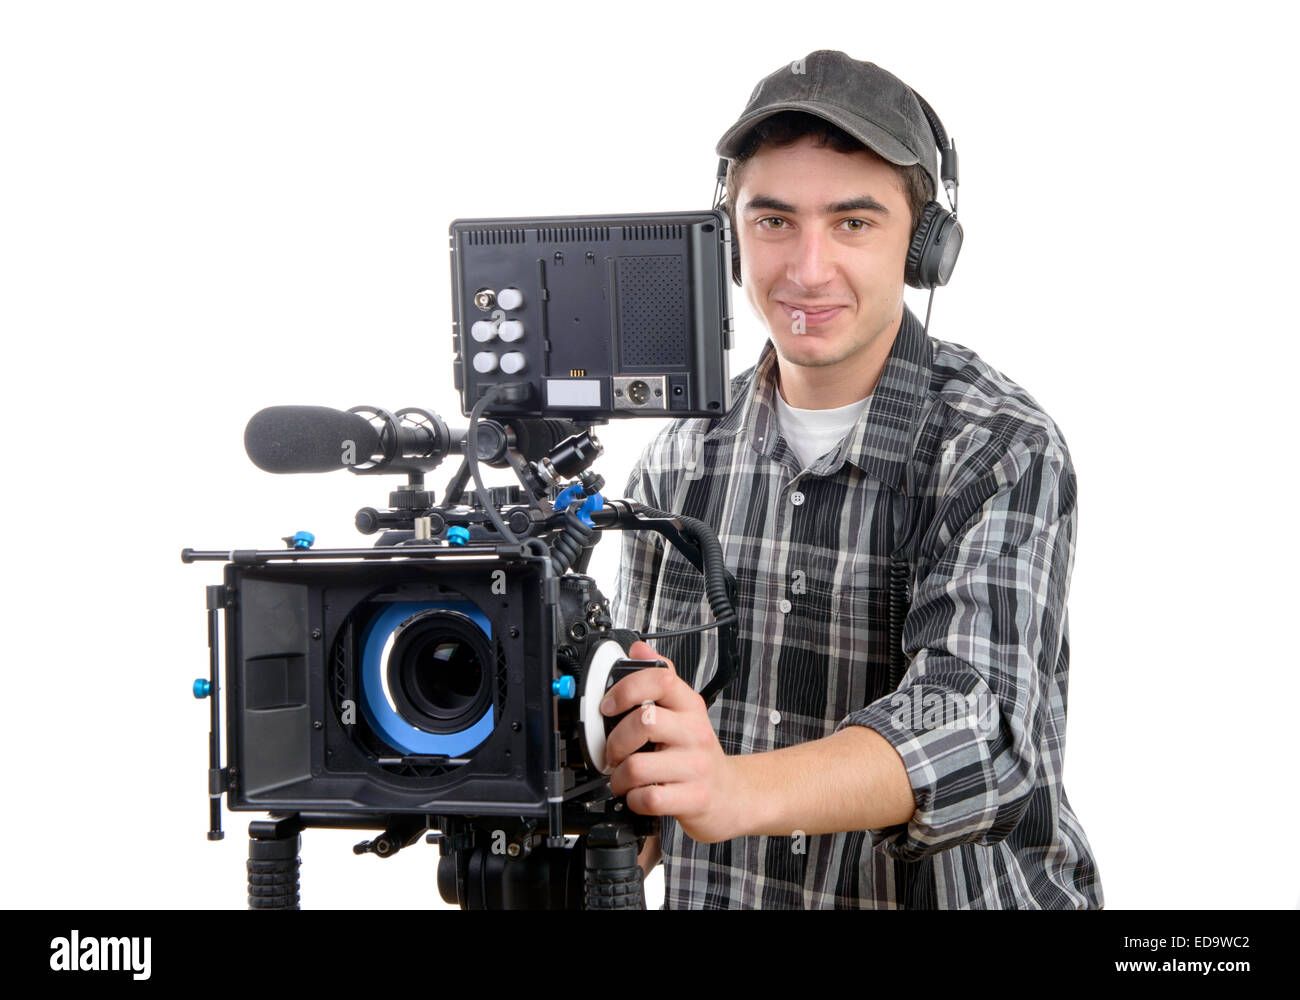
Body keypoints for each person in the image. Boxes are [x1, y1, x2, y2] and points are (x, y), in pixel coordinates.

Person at [603, 50, 1104, 909]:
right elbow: (652, 744)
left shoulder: (999, 448)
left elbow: (972, 727)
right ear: (730, 236)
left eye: (853, 223)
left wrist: (734, 790)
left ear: (925, 247)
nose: (805, 269)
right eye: (772, 221)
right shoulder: (676, 463)